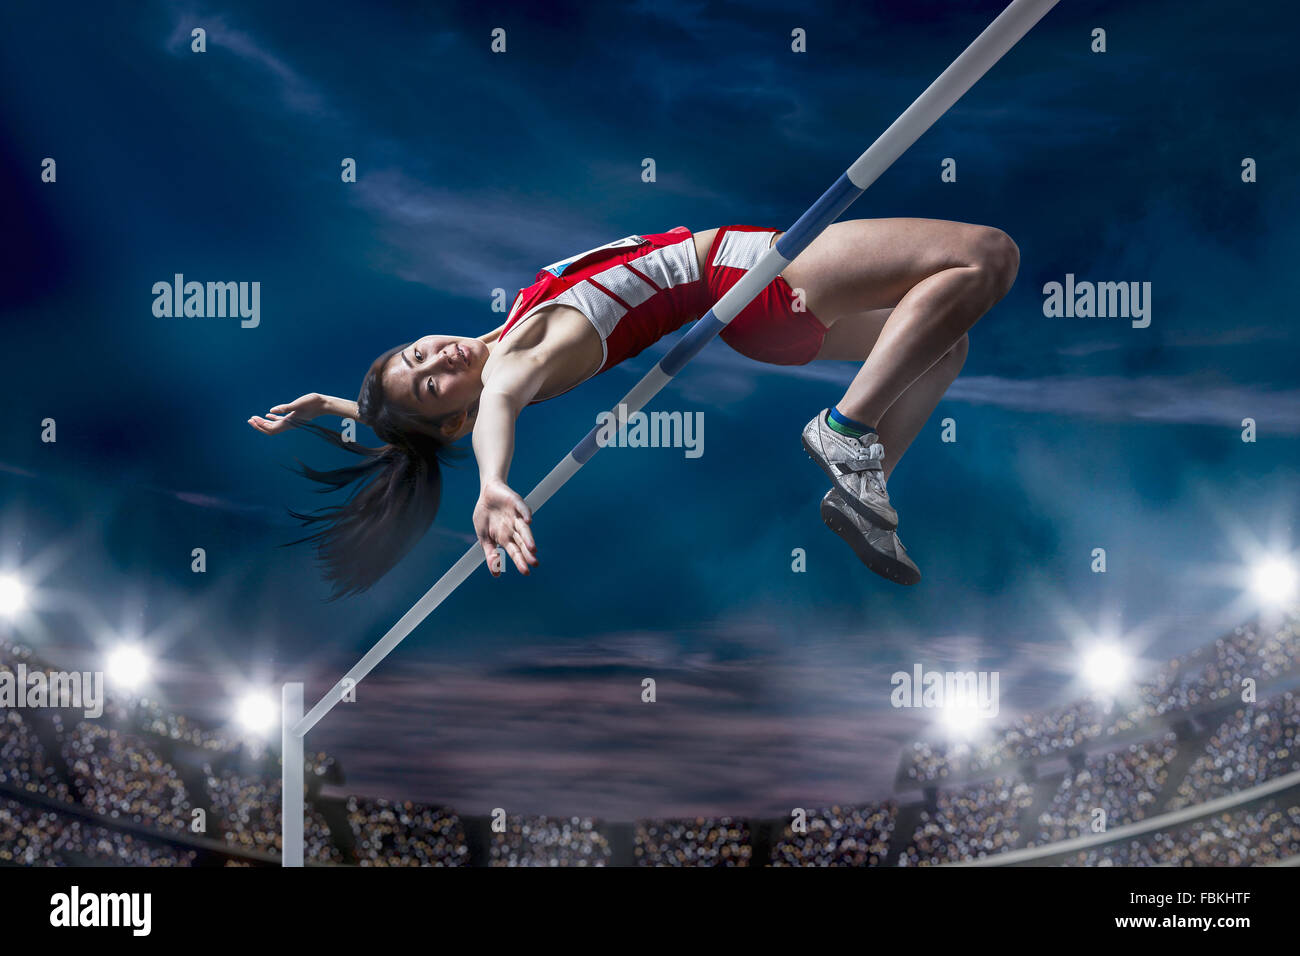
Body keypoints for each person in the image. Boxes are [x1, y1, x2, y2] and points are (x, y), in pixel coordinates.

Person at [250, 220, 1017, 597]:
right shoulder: (515, 362)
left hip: (753, 319)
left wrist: (333, 405)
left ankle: (861, 485)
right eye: (428, 385)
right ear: (451, 419)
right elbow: (498, 408)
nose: (436, 360)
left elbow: (427, 409)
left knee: (943, 344)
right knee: (984, 255)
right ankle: (845, 432)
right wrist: (491, 484)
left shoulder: (500, 332)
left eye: (415, 353)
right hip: (737, 279)